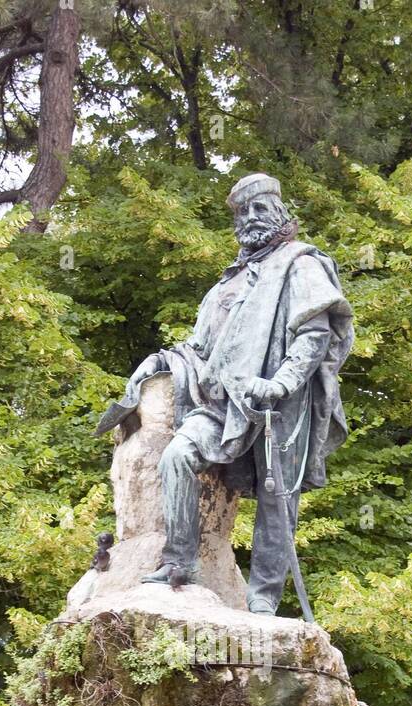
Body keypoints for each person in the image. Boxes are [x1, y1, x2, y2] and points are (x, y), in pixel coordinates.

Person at [97, 173, 353, 615]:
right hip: (218, 400)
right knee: (177, 456)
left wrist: (282, 383)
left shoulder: (300, 264)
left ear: (280, 212)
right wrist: (163, 361)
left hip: (278, 402)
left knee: (277, 499)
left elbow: (315, 334)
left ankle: (263, 599)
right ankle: (180, 563)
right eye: (243, 211)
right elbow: (200, 349)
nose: (252, 218)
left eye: (261, 208)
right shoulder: (223, 286)